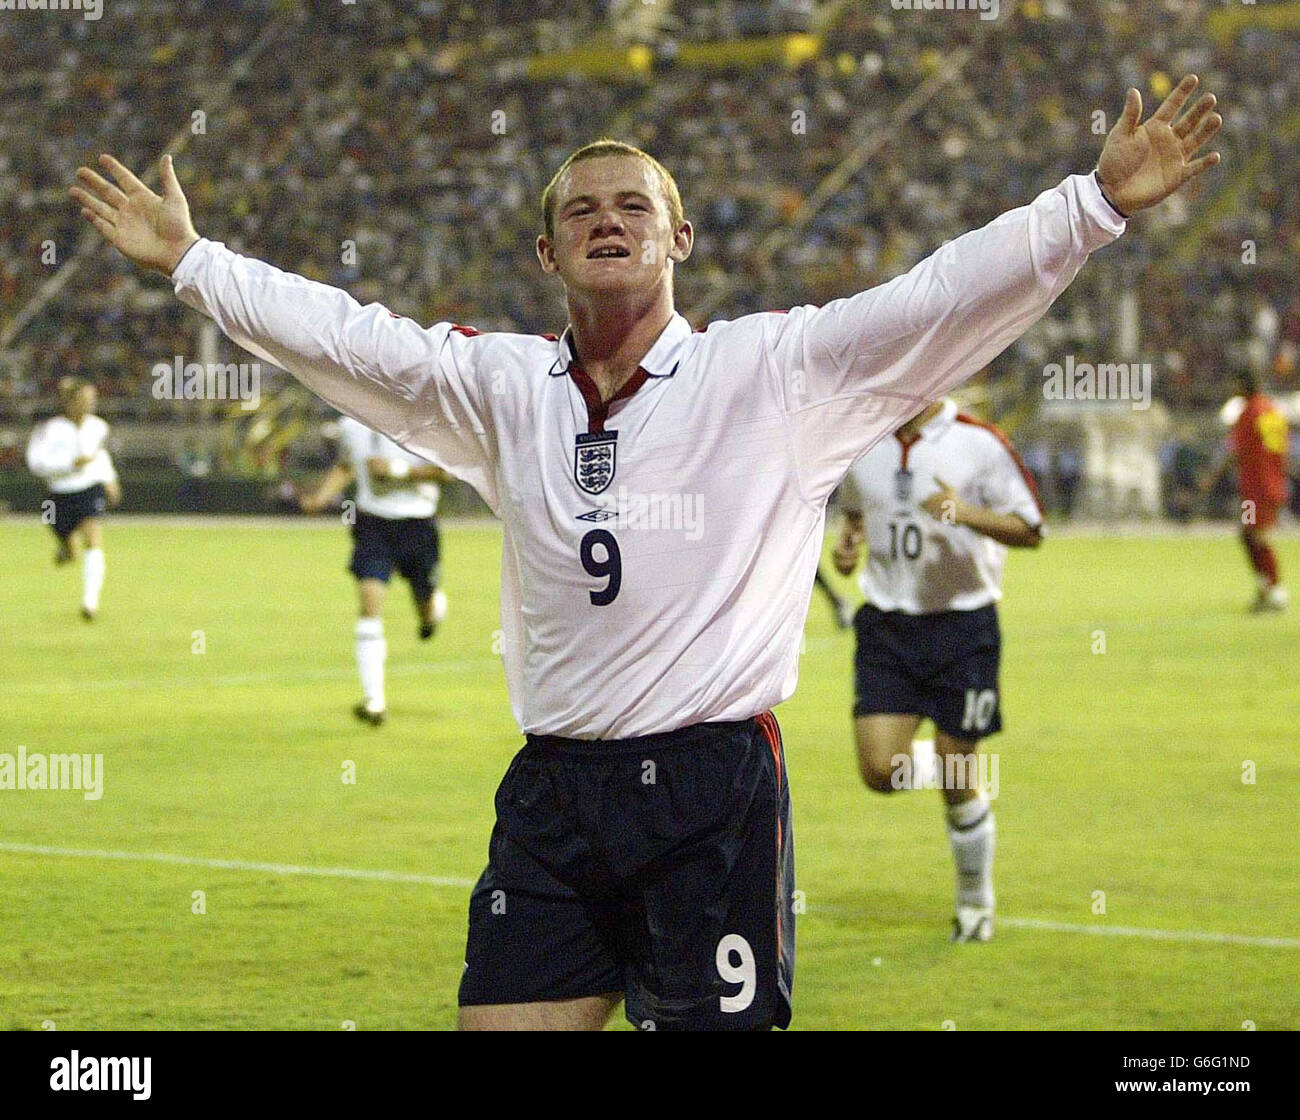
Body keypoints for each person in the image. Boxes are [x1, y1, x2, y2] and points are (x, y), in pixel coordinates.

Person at [69, 74, 1220, 1030]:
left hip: (710, 794)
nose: (607, 220)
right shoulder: (500, 387)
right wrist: (194, 262)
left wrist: (1093, 204)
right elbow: (348, 340)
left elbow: (933, 298)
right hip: (554, 792)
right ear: (546, 251)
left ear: (679, 235)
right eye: (581, 211)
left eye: (633, 204)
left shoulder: (772, 374)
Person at [831, 399, 1043, 942]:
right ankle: (954, 761)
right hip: (887, 627)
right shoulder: (862, 437)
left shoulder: (978, 440)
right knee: (880, 771)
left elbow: (1031, 527)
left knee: (955, 775)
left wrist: (964, 512)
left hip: (963, 627)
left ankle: (975, 903)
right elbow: (857, 508)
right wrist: (851, 542)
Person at [299, 415, 454, 725]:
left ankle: (433, 610)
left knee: (425, 608)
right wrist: (320, 498)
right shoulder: (351, 425)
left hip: (418, 524)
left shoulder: (424, 420)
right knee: (369, 605)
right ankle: (374, 701)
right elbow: (346, 466)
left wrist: (397, 471)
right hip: (373, 525)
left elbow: (448, 473)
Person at [25, 377, 121, 620]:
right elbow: (36, 464)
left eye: (92, 399)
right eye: (84, 400)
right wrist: (69, 465)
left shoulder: (98, 427)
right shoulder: (48, 429)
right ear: (69, 402)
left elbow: (100, 456)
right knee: (64, 538)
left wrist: (109, 479)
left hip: (89, 489)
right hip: (56, 494)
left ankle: (90, 603)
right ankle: (67, 549)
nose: (89, 404)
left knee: (93, 537)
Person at [1200, 370, 1289, 611]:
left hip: (1256, 487)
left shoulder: (1250, 412)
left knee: (1258, 535)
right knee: (1248, 534)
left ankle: (1276, 592)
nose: (1232, 388)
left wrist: (1212, 476)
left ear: (1242, 384)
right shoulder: (1272, 409)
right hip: (1270, 483)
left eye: (1234, 383)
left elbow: (1234, 449)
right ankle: (1265, 587)